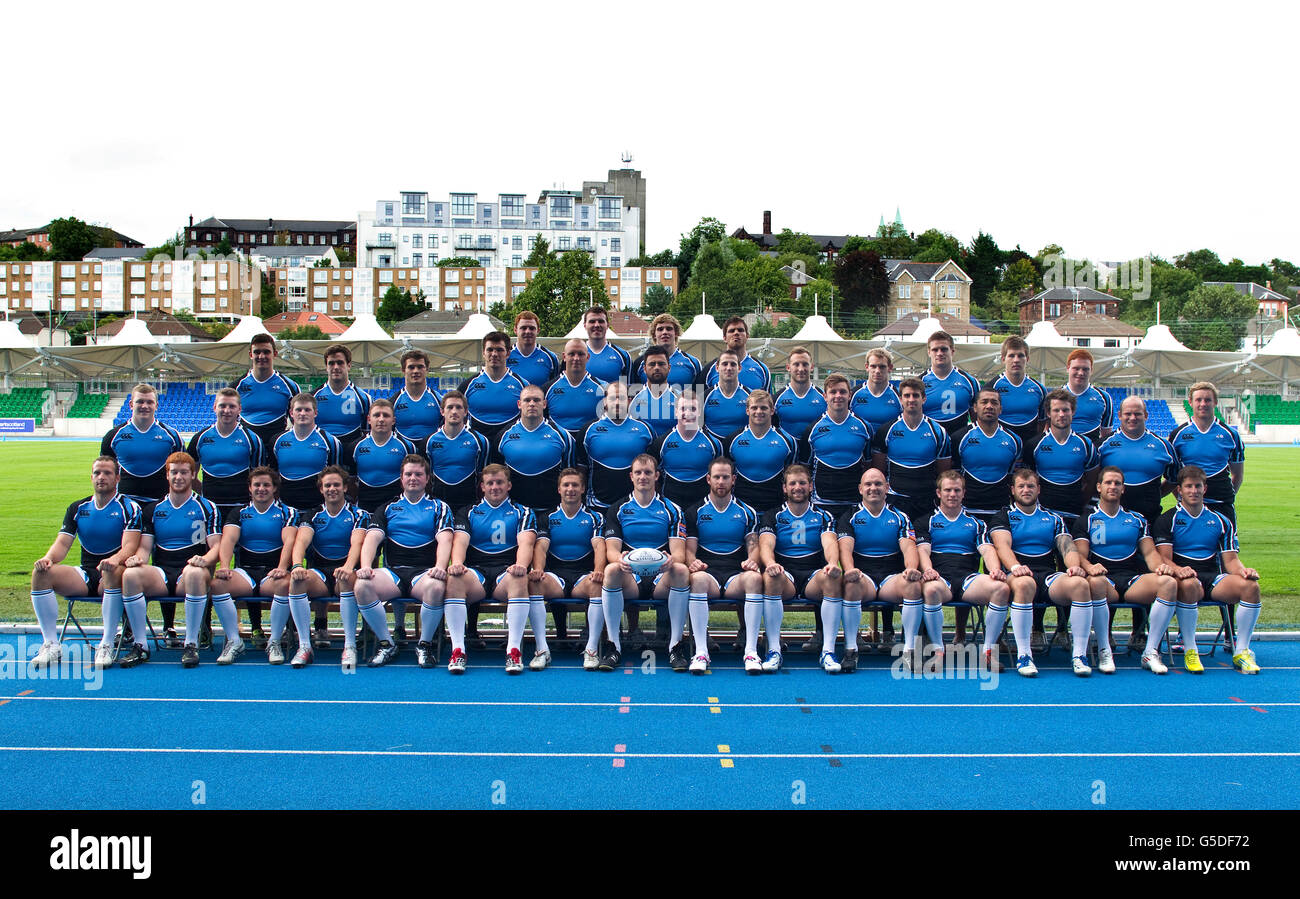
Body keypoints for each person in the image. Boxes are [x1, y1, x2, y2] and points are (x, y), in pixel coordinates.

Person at [30, 457, 141, 669]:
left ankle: (106, 643)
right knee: (41, 574)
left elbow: (129, 547)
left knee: (113, 571)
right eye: (97, 473)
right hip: (86, 573)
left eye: (107, 473)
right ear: (91, 477)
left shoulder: (129, 507)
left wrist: (113, 560)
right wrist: (48, 558)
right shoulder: (78, 508)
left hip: (113, 573)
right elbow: (62, 544)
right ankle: (51, 644)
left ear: (117, 478)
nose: (102, 477)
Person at [1153, 466, 1263, 675]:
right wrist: (1179, 570)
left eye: (1197, 486)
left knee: (1251, 587)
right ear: (1179, 490)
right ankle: (1190, 649)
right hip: (1183, 579)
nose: (1193, 491)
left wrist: (1243, 571)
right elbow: (1164, 559)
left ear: (1205, 489)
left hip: (1212, 577)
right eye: (1188, 486)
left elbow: (1230, 560)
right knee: (1190, 584)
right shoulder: (1168, 520)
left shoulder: (1221, 521)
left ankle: (1242, 651)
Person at [1072, 466, 1179, 676]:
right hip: (1103, 579)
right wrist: (1090, 567)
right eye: (1109, 483)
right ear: (1099, 487)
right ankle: (1104, 649)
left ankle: (1151, 651)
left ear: (1123, 489)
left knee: (1169, 583)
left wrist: (1161, 567)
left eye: (1117, 483)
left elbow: (1149, 553)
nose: (1113, 487)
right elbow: (1080, 556)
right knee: (1095, 582)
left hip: (1131, 580)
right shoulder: (1087, 519)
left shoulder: (1137, 519)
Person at [119, 452, 223, 668]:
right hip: (163, 572)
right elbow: (145, 548)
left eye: (184, 472)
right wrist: (136, 560)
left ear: (193, 475)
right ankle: (140, 645)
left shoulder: (207, 507)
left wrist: (204, 560)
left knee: (194, 573)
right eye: (174, 472)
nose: (179, 477)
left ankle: (191, 643)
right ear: (167, 475)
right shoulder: (153, 509)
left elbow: (216, 548)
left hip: (191, 571)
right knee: (130, 575)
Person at [354, 455, 454, 668]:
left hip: (424, 573)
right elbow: (372, 538)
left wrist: (439, 567)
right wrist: (364, 566)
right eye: (408, 474)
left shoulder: (439, 507)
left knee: (437, 587)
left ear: (427, 478)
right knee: (362, 585)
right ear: (401, 478)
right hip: (393, 573)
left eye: (418, 474)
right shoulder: (388, 508)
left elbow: (445, 540)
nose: (413, 478)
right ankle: (387, 643)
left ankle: (424, 645)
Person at [988, 469, 1091, 677]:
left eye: (1030, 486)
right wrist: (1016, 566)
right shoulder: (1003, 516)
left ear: (1038, 489)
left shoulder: (1053, 518)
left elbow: (1067, 547)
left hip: (1046, 574)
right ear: (1013, 490)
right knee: (1025, 583)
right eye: (1021, 486)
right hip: (1016, 574)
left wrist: (1073, 566)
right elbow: (1002, 547)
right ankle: (1024, 655)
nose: (1026, 490)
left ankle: (1079, 655)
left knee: (1080, 584)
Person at [595, 454, 690, 671]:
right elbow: (612, 551)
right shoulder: (618, 509)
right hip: (632, 576)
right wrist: (620, 560)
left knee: (681, 570)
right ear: (631, 476)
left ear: (657, 476)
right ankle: (613, 646)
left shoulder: (672, 509)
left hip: (660, 577)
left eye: (648, 472)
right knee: (611, 570)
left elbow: (679, 553)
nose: (643, 477)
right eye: (638, 472)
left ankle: (675, 646)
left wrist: (670, 560)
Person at [444, 465, 540, 674]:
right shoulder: (468, 511)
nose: (495, 487)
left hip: (505, 572)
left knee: (519, 579)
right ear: (482, 487)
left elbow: (527, 543)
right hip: (477, 572)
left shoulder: (522, 512)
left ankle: (513, 650)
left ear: (509, 485)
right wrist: (457, 562)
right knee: (455, 579)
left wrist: (521, 566)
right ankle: (458, 650)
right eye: (490, 483)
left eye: (499, 482)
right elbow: (460, 541)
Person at [1024, 389, 1100, 650]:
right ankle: (1036, 628)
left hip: (1072, 516)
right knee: (1041, 569)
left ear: (1073, 412)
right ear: (1048, 413)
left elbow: (1091, 481)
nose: (1061, 414)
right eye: (1056, 410)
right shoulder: (1034, 444)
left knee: (1069, 571)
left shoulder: (1086, 444)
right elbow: (1028, 481)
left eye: (1065, 410)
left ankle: (1063, 628)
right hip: (1042, 516)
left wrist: (1078, 506)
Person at [914, 470, 1011, 673]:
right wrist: (929, 570)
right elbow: (922, 550)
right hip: (940, 577)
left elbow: (987, 549)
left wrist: (995, 570)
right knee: (930, 590)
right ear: (939, 493)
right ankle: (939, 652)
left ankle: (988, 652)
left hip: (968, 578)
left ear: (963, 493)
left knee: (1001, 589)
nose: (952, 494)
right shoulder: (926, 521)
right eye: (947, 490)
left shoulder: (976, 523)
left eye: (957, 490)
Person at [756, 465, 841, 673]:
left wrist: (832, 563)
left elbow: (829, 542)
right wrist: (770, 564)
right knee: (771, 577)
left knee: (832, 577)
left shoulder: (823, 516)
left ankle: (828, 651)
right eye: (792, 483)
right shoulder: (773, 515)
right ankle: (774, 650)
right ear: (785, 488)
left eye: (802, 483)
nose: (798, 487)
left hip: (813, 574)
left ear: (810, 486)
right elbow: (765, 544)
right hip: (786, 573)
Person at [837, 469, 924, 672]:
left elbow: (909, 546)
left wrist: (911, 568)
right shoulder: (849, 516)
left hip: (890, 578)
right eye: (868, 484)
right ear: (860, 489)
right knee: (850, 583)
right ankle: (851, 649)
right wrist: (849, 570)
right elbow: (845, 548)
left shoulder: (899, 516)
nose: (873, 488)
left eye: (878, 484)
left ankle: (910, 650)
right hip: (863, 576)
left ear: (886, 488)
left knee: (913, 585)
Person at [211, 468, 299, 666]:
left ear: (274, 488)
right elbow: (228, 540)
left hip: (273, 571)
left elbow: (289, 541)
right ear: (249, 488)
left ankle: (274, 641)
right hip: (246, 571)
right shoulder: (239, 513)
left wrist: (283, 567)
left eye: (266, 485)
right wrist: (224, 566)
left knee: (285, 584)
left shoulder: (287, 512)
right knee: (217, 584)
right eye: (257, 485)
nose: (261, 489)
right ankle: (234, 641)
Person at [683, 457, 762, 673]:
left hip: (737, 573)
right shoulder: (694, 512)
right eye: (716, 477)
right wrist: (692, 562)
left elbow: (753, 544)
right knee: (696, 580)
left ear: (733, 480)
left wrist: (752, 559)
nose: (721, 482)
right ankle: (701, 652)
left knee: (755, 579)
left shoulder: (747, 512)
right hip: (707, 573)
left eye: (725, 477)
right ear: (708, 479)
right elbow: (689, 549)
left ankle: (751, 651)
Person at [289, 466, 370, 670]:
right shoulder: (313, 515)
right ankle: (305, 646)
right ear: (321, 489)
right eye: (327, 485)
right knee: (297, 580)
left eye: (336, 485)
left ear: (345, 488)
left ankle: (349, 645)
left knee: (345, 579)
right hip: (321, 573)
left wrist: (348, 567)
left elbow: (357, 544)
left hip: (346, 571)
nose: (332, 489)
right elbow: (301, 542)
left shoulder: (358, 514)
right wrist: (298, 565)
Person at [534, 468, 606, 670]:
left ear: (583, 488)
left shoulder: (595, 517)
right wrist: (538, 568)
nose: (570, 489)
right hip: (556, 576)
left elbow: (600, 545)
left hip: (583, 575)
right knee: (534, 583)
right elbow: (540, 546)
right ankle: (542, 650)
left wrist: (599, 570)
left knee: (598, 586)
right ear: (559, 489)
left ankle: (591, 650)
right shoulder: (547, 517)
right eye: (566, 485)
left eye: (575, 485)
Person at [870, 377, 952, 527]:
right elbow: (878, 471)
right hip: (895, 500)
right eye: (907, 396)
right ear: (900, 399)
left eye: (916, 395)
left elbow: (943, 474)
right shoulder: (886, 431)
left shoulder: (938, 432)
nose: (911, 399)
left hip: (927, 501)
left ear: (924, 399)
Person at [1168, 381, 1244, 524]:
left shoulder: (1231, 435)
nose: (1203, 404)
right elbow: (1173, 476)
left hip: (1222, 503)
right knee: (1190, 545)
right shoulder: (1177, 435)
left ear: (1215, 402)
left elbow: (1238, 475)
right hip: (1188, 505)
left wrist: (1225, 495)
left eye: (1208, 400)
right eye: (1198, 400)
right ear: (1190, 402)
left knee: (1225, 545)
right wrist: (1183, 496)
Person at [1096, 396, 1177, 526]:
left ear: (1145, 415)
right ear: (1120, 415)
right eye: (1128, 413)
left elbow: (1174, 478)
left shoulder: (1163, 446)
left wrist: (1156, 493)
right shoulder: (1102, 446)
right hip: (1110, 521)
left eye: (1137, 414)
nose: (1132, 418)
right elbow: (1090, 478)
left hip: (1151, 520)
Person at [102, 383, 186, 507]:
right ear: (131, 404)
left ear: (156, 405)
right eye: (140, 401)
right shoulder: (113, 436)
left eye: (149, 402)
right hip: (125, 505)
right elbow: (105, 471)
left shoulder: (172, 436)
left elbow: (183, 471)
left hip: (161, 504)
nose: (145, 406)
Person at [494, 384, 576, 512]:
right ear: (519, 404)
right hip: (515, 511)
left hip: (551, 509)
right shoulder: (503, 436)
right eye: (527, 400)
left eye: (536, 400)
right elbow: (495, 476)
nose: (532, 404)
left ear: (544, 404)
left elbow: (571, 475)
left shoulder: (563, 436)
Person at [580, 380, 656, 511]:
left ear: (629, 401)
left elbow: (655, 469)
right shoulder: (588, 430)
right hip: (598, 505)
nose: (616, 402)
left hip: (636, 506)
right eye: (612, 398)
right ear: (604, 402)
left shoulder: (645, 430)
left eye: (621, 398)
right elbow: (581, 469)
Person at [806, 374, 873, 522]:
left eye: (842, 392)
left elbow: (868, 464)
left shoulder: (864, 427)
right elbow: (806, 468)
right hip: (821, 501)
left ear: (849, 395)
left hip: (854, 501)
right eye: (833, 392)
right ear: (825, 396)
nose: (838, 396)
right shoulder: (813, 429)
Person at [186, 388, 265, 510]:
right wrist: (203, 494)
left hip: (242, 508)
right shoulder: (200, 438)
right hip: (209, 508)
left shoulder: (252, 439)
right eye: (222, 406)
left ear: (239, 409)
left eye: (232, 406)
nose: (227, 410)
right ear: (214, 407)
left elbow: (260, 478)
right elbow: (189, 476)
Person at [722, 390, 797, 514]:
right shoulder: (732, 441)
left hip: (775, 508)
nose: (758, 412)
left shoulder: (788, 442)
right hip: (741, 509)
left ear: (772, 411)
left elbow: (791, 475)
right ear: (747, 411)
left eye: (763, 408)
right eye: (754, 408)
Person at [649, 390, 722, 510]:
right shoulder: (661, 443)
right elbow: (652, 475)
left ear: (699, 412)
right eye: (683, 408)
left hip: (702, 505)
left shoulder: (713, 444)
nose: (688, 413)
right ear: (676, 412)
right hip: (670, 503)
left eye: (693, 409)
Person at [267, 393, 342, 512]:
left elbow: (337, 479)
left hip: (318, 509)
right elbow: (273, 476)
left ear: (315, 413)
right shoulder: (277, 441)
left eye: (307, 410)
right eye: (298, 410)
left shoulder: (331, 442)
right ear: (291, 413)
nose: (302, 413)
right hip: (286, 509)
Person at [343, 399, 417, 513]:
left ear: (393, 420)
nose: (381, 419)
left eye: (386, 415)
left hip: (396, 509)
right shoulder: (354, 447)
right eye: (376, 415)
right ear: (368, 419)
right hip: (364, 507)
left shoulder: (407, 447)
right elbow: (351, 481)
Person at [231, 333, 300, 449]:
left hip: (276, 449)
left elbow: (299, 422)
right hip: (246, 448)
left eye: (266, 352)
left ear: (275, 354)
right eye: (257, 352)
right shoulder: (236, 387)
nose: (261, 356)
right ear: (250, 355)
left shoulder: (290, 386)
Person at [458, 330, 527, 446]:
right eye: (490, 349)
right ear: (483, 353)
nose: (494, 354)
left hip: (511, 443)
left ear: (508, 353)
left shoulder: (522, 385)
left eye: (499, 350)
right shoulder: (467, 386)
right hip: (477, 445)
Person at [424, 390, 490, 509]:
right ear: (442, 411)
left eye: (458, 407)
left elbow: (482, 475)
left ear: (465, 411)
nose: (454, 411)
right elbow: (426, 477)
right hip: (438, 504)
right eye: (450, 407)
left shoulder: (480, 441)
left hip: (469, 504)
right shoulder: (429, 442)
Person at [984, 336, 1046, 445]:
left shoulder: (1039, 389)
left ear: (1027, 359)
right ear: (1003, 359)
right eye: (1011, 356)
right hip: (999, 446)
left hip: (1029, 447)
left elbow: (1042, 422)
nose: (1016, 360)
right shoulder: (991, 387)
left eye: (1020, 355)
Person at [313, 344, 372, 457]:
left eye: (340, 363)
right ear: (326, 367)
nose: (335, 367)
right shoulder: (313, 397)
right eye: (331, 363)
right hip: (320, 451)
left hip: (350, 453)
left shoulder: (364, 399)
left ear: (348, 365)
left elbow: (367, 435)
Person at [920, 331, 980, 437]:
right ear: (929, 352)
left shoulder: (970, 382)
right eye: (935, 349)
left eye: (944, 349)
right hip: (928, 441)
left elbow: (978, 418)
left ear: (952, 351)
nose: (939, 353)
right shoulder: (919, 382)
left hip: (959, 442)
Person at [545, 339, 606, 439]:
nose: (576, 358)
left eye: (581, 354)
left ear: (588, 357)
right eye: (571, 354)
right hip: (559, 442)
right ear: (564, 357)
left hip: (589, 443)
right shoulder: (547, 389)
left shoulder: (602, 388)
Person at [774, 346, 827, 448]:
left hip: (814, 451)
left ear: (811, 367)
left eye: (805, 364)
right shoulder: (777, 399)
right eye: (796, 364)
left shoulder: (823, 398)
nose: (801, 369)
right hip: (787, 451)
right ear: (788, 367)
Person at [1059, 349, 1113, 444]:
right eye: (1076, 368)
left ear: (1091, 370)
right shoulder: (1055, 397)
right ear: (1068, 368)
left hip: (1091, 454)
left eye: (1085, 369)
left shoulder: (1104, 398)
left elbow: (1106, 437)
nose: (1081, 373)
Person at [389, 349, 445, 444]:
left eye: (420, 367)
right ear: (403, 370)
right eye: (411, 367)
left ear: (427, 369)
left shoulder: (439, 400)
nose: (416, 371)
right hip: (404, 452)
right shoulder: (393, 402)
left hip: (430, 451)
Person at [632, 313, 702, 387]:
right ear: (654, 335)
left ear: (676, 333)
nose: (664, 332)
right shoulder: (639, 363)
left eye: (669, 329)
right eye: (660, 329)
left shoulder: (693, 363)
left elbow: (700, 393)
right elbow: (633, 394)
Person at [704, 316, 772, 391]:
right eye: (731, 331)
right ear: (724, 338)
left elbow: (769, 401)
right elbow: (698, 399)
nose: (736, 333)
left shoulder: (762, 369)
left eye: (740, 330)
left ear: (747, 336)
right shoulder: (708, 370)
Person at [627, 344, 680, 437]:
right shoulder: (631, 398)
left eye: (661, 364)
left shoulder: (681, 399)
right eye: (652, 364)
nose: (656, 367)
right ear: (644, 369)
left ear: (669, 367)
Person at [701, 348, 750, 439]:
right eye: (724, 364)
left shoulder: (750, 396)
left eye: (733, 364)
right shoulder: (704, 397)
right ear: (717, 368)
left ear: (739, 368)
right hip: (714, 447)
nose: (728, 368)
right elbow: (696, 429)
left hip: (741, 446)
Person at [852, 348, 903, 434]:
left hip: (886, 446)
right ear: (867, 367)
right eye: (873, 366)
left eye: (882, 366)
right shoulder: (854, 393)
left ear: (890, 368)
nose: (877, 371)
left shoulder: (899, 395)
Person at [581, 305, 632, 385]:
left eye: (601, 321)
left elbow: (625, 389)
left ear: (607, 325)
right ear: (585, 325)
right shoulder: (573, 355)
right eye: (592, 321)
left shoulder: (623, 356)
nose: (597, 325)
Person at [508, 310, 560, 386]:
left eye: (532, 328)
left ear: (538, 330)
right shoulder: (505, 356)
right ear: (515, 330)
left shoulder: (550, 357)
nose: (528, 331)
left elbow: (554, 387)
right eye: (523, 328)